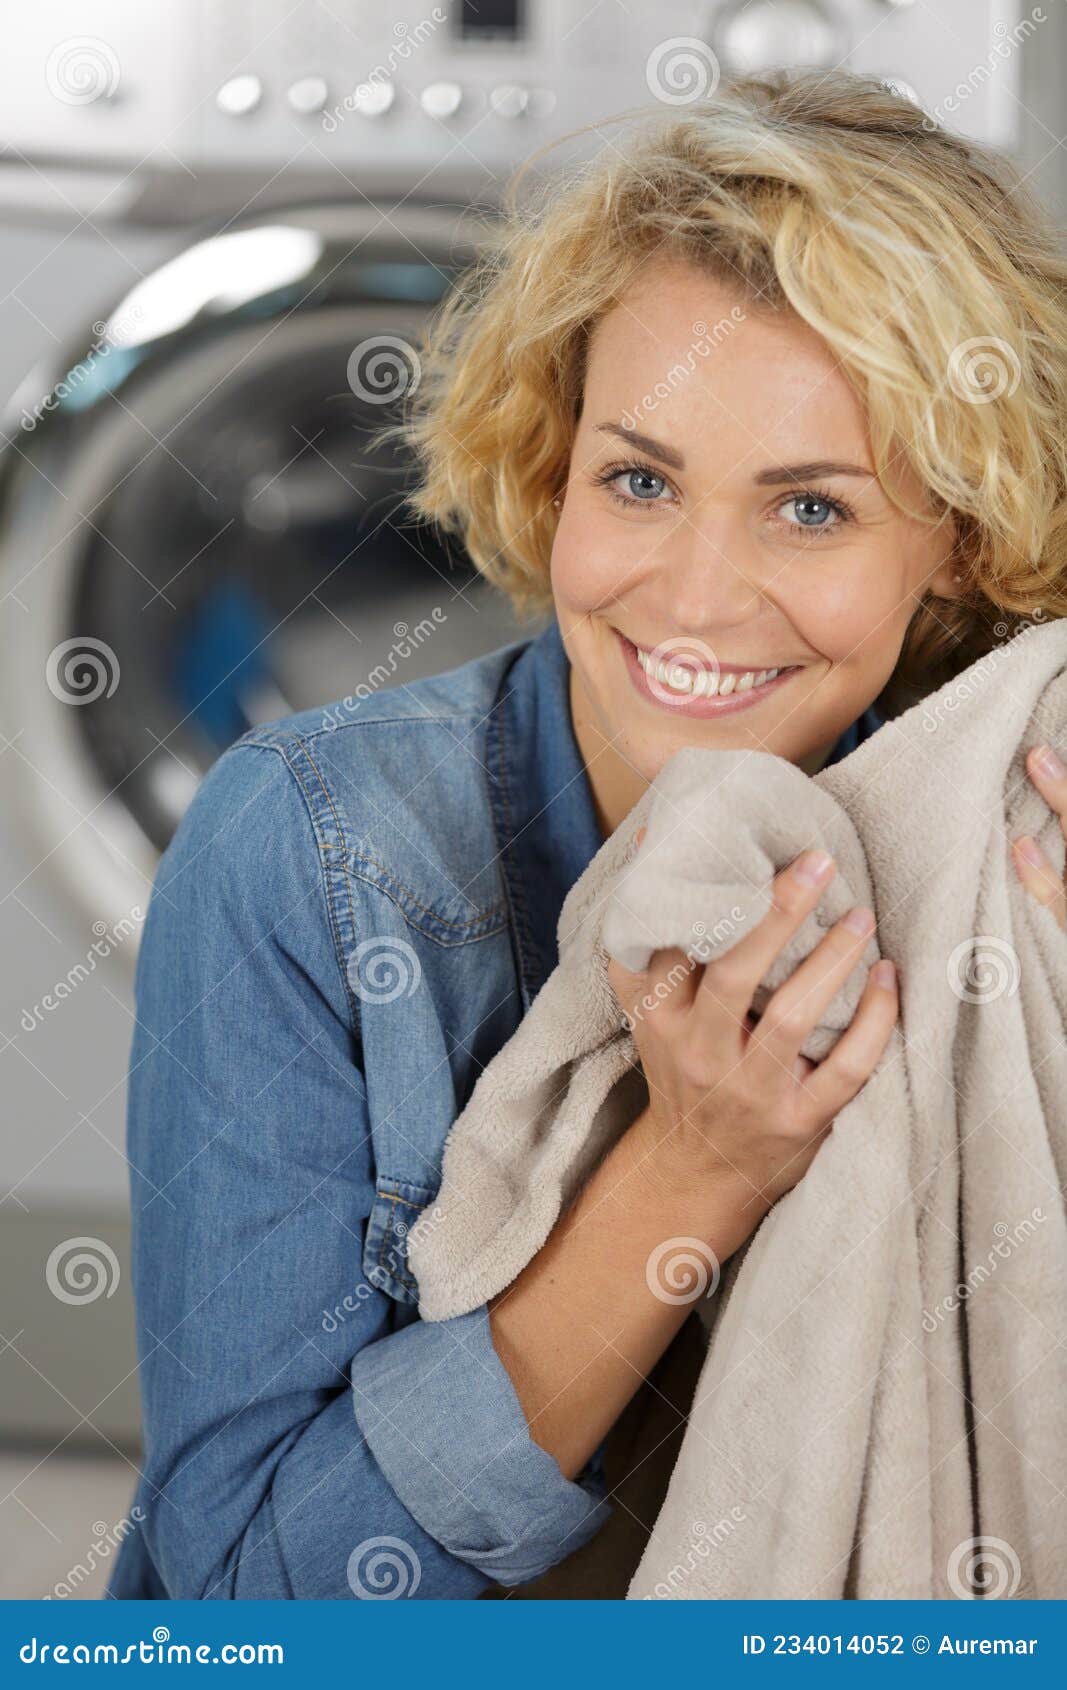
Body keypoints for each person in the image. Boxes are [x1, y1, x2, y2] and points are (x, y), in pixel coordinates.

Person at [107, 67, 1067, 1600]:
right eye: (640, 479)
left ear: (955, 532)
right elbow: (248, 1609)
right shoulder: (304, 853)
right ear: (554, 469)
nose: (694, 596)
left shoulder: (1008, 836)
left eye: (811, 508)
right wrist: (689, 1171)